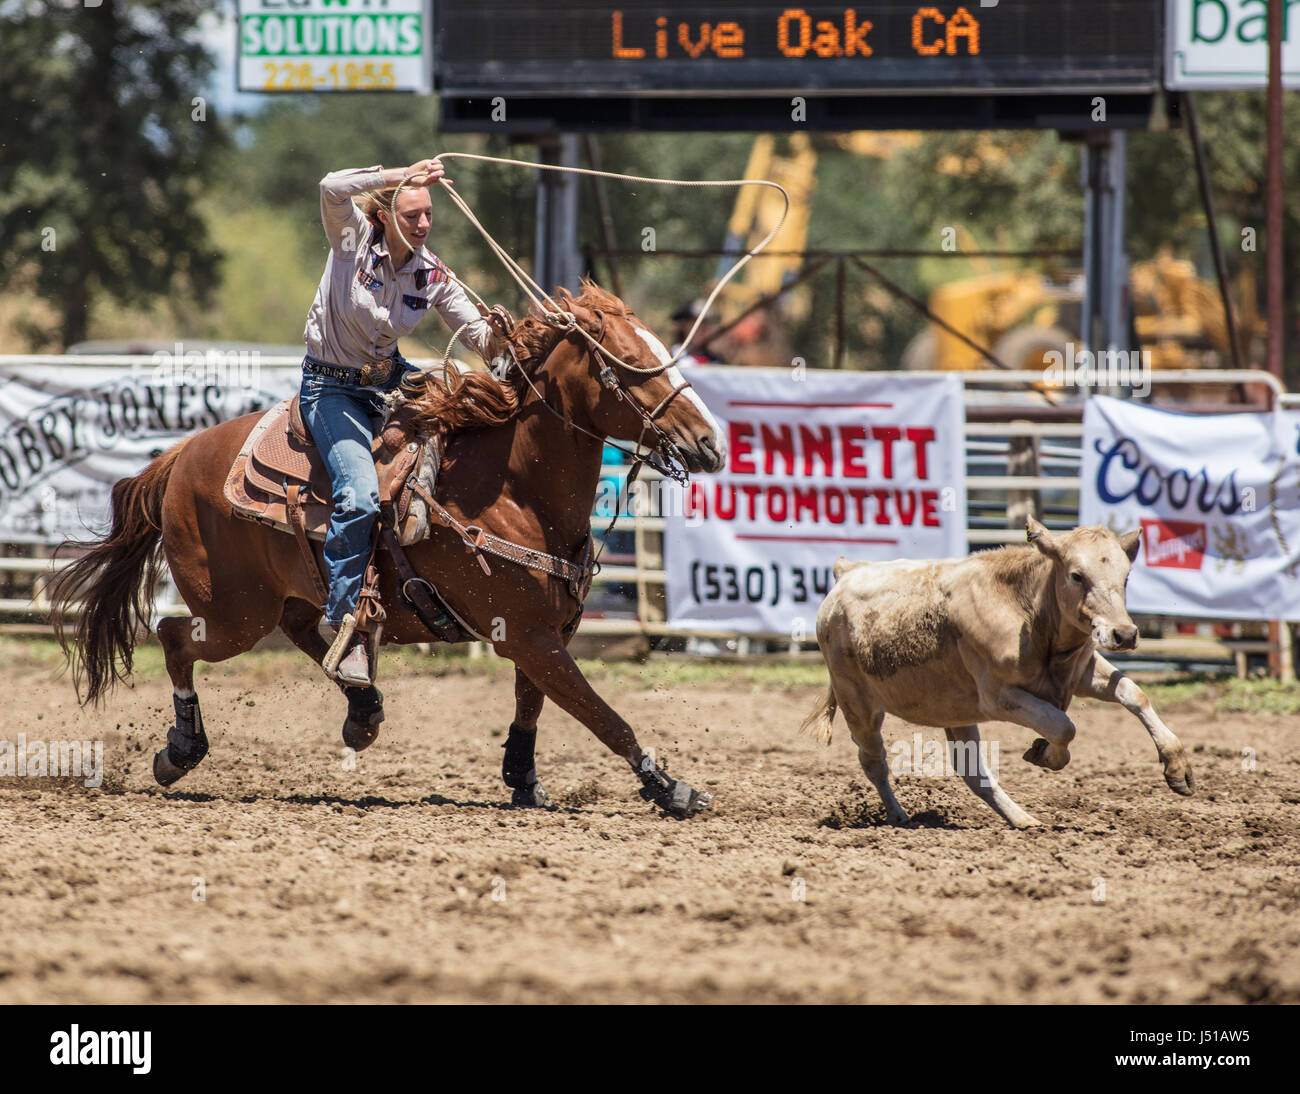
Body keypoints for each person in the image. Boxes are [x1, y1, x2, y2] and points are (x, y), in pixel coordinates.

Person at [301, 158, 512, 686]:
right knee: (358, 496)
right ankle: (344, 623)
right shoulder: (350, 237)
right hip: (331, 388)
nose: (421, 225)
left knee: (463, 391)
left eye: (428, 217)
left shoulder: (430, 271)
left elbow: (477, 338)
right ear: (386, 212)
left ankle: (436, 540)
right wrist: (398, 172)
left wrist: (500, 336)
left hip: (388, 379)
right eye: (412, 214)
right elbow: (330, 184)